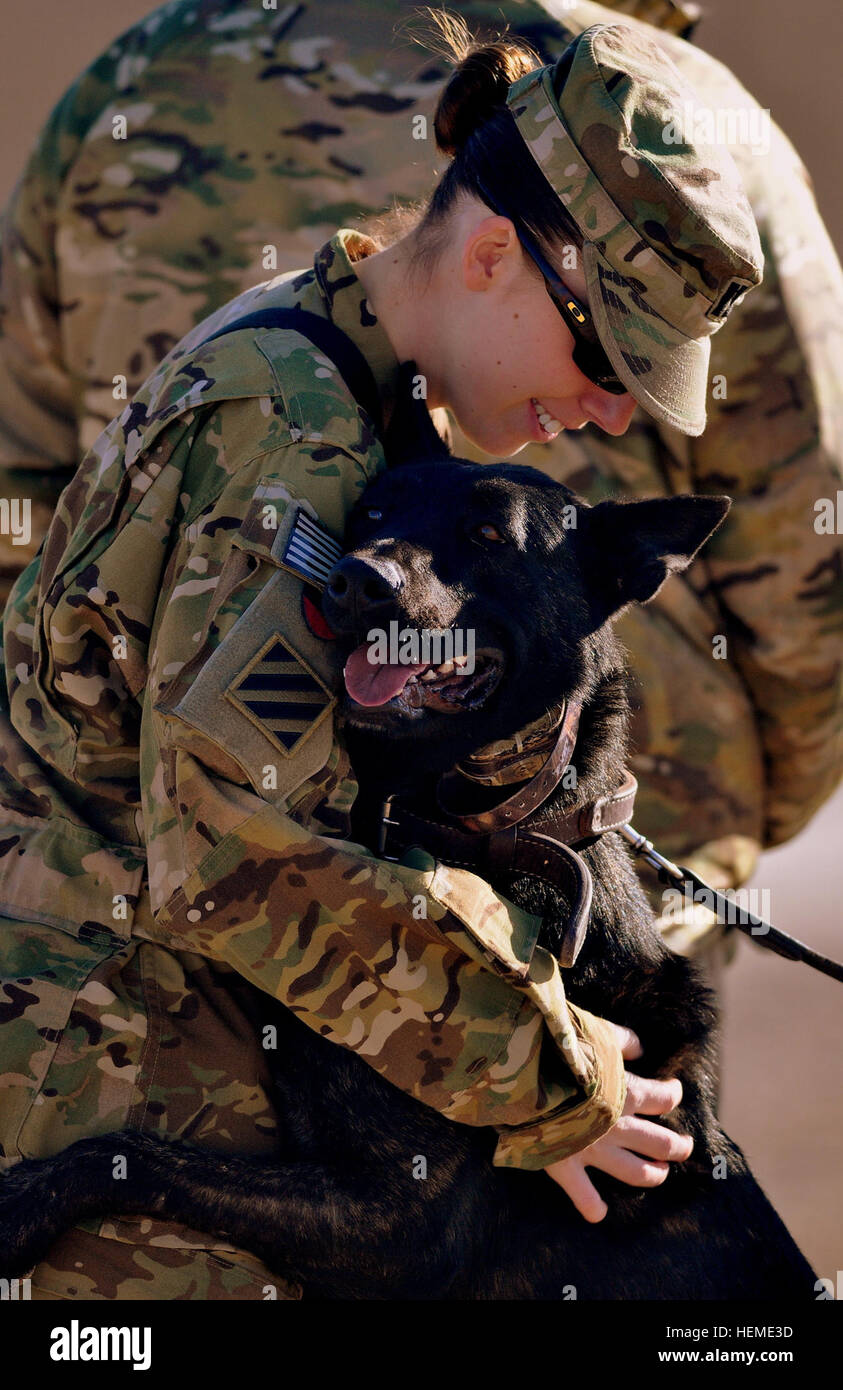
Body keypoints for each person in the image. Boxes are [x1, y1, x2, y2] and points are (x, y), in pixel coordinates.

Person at [0, 2, 839, 1302]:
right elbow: (239, 854)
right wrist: (558, 1079)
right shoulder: (292, 430)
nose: (609, 411)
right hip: (120, 1087)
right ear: (494, 253)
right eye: (604, 350)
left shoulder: (353, 386)